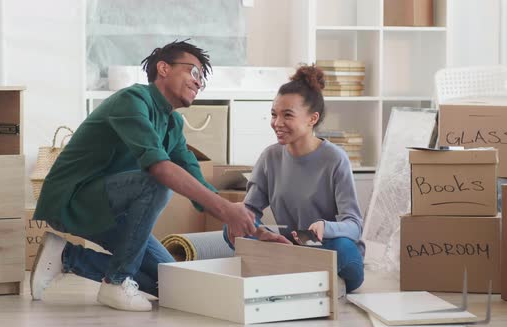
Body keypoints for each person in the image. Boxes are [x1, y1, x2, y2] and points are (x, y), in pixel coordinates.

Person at [30, 40, 258, 312]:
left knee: (173, 284)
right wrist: (226, 210)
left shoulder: (172, 123)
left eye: (202, 80)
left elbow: (197, 183)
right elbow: (159, 168)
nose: (198, 83)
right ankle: (116, 281)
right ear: (163, 68)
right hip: (74, 200)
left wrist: (244, 222)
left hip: (111, 210)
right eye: (194, 72)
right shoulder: (132, 101)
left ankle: (65, 256)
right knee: (156, 183)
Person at [223, 64, 365, 293]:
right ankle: (300, 273)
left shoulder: (335, 159)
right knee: (231, 224)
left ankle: (289, 272)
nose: (277, 123)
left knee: (343, 248)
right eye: (273, 114)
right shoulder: (270, 157)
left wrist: (324, 228)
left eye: (287, 115)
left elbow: (355, 226)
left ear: (312, 119)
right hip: (289, 246)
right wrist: (244, 218)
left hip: (325, 245)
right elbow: (250, 211)